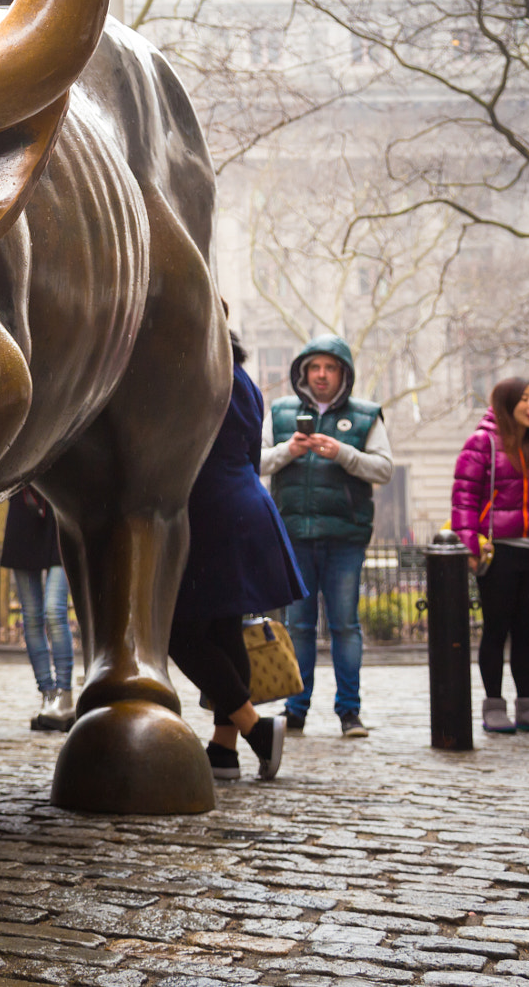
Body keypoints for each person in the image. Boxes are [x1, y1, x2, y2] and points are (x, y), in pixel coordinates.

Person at [174, 332, 305, 781]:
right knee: (224, 628)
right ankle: (223, 751)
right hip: (247, 503)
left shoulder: (194, 373)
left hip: (211, 510)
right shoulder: (242, 379)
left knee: (179, 633)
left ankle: (255, 728)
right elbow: (250, 454)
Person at [260, 334, 393, 738]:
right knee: (298, 626)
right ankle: (295, 709)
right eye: (315, 367)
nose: (321, 374)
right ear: (303, 373)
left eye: (330, 367)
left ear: (343, 374)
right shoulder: (280, 412)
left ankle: (349, 712)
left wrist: (343, 454)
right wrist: (289, 451)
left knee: (345, 626)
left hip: (345, 538)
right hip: (294, 536)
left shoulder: (366, 415)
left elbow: (384, 469)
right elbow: (255, 462)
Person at [451, 378, 529, 734]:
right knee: (496, 629)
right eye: (524, 399)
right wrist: (470, 547)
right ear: (507, 404)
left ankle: (527, 707)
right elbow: (464, 499)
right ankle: (494, 707)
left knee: (526, 632)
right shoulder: (483, 443)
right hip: (499, 552)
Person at [0, 485, 74, 731]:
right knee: (31, 616)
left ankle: (64, 694)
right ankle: (47, 694)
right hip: (24, 511)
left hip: (60, 513)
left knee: (55, 610)